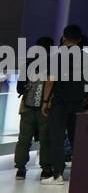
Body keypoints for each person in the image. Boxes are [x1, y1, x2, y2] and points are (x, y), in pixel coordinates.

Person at [42, 24, 88, 185]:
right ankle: (81, 172)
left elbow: (50, 81)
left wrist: (45, 101)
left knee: (57, 137)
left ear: (64, 37)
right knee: (77, 138)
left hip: (59, 102)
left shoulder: (57, 56)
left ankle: (58, 174)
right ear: (79, 40)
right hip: (78, 102)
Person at [14, 37, 53, 181]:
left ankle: (20, 169)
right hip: (46, 107)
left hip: (27, 106)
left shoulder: (28, 63)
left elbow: (19, 87)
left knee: (24, 139)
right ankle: (46, 169)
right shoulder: (53, 64)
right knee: (45, 139)